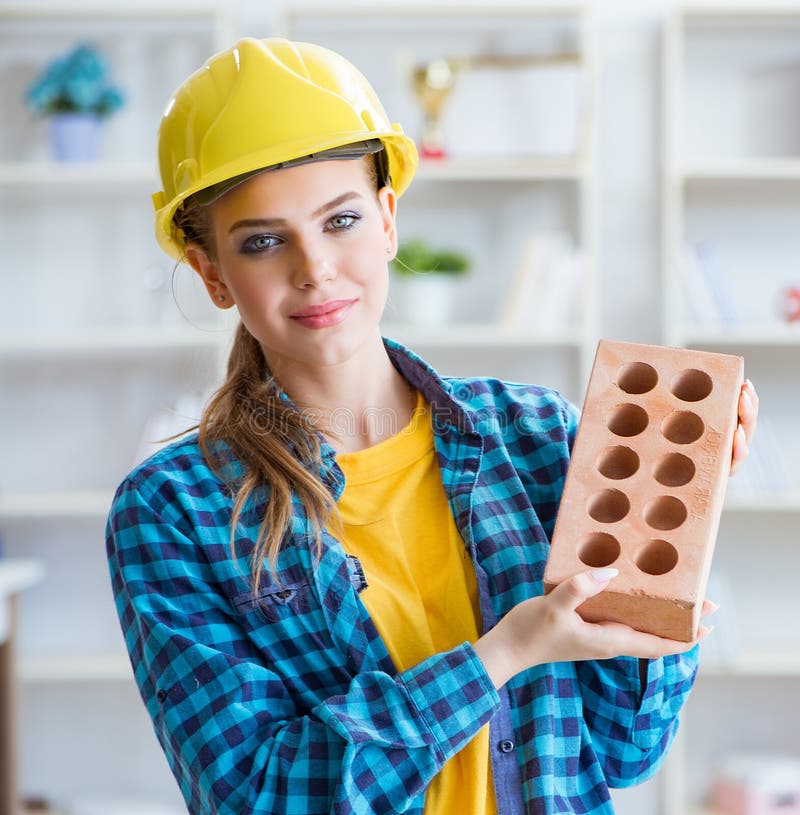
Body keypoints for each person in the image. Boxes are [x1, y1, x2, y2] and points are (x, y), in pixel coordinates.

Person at [106, 37, 759, 815]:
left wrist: (672, 547)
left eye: (340, 220)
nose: (314, 267)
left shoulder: (540, 438)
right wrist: (503, 655)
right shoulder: (174, 511)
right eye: (264, 241)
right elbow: (257, 796)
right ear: (212, 271)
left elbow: (625, 751)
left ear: (387, 220)